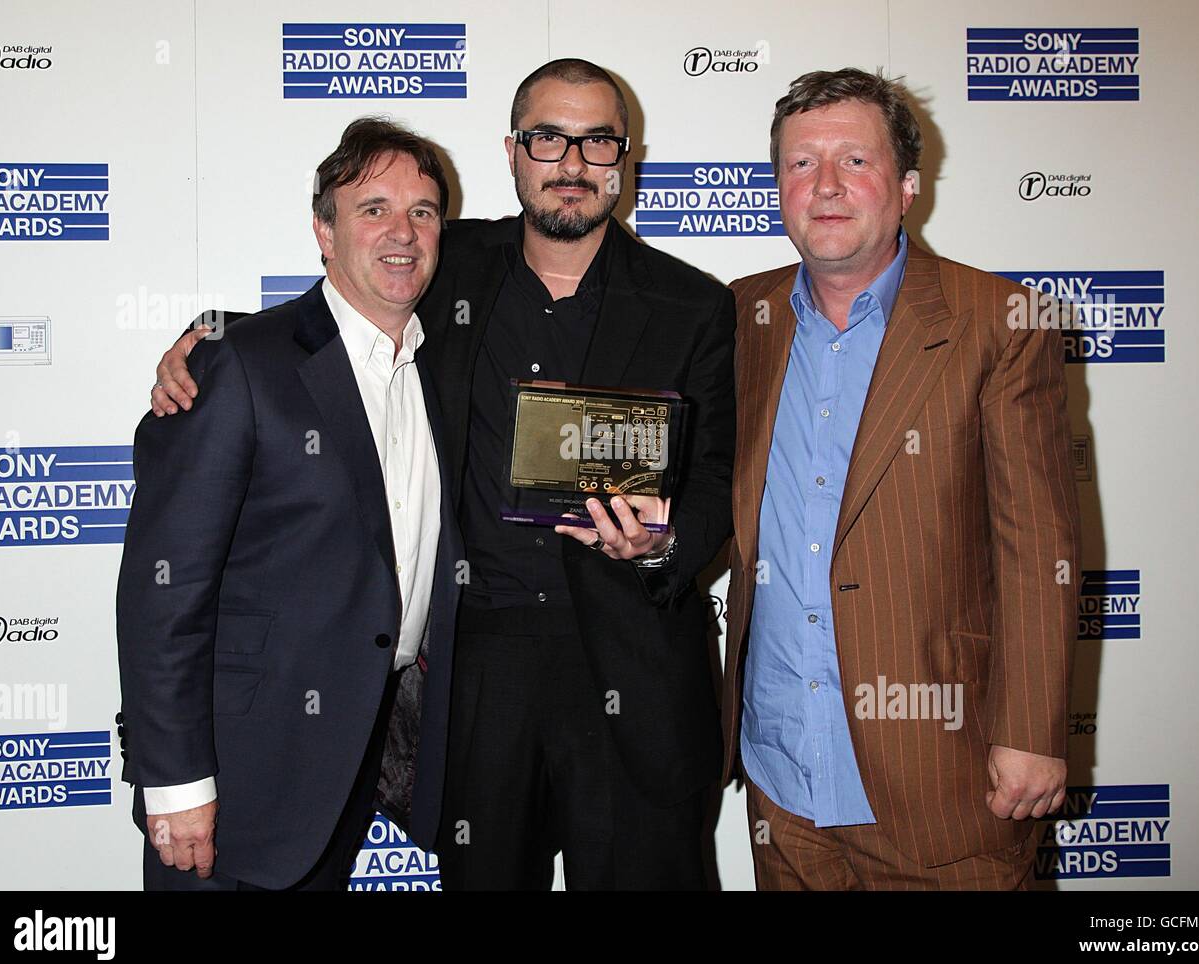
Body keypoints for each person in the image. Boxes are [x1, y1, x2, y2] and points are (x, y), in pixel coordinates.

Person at [150, 59, 736, 890]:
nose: (572, 162)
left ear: (624, 157)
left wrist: (659, 544)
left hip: (635, 669)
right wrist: (211, 336)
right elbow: (340, 310)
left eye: (596, 140)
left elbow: (715, 481)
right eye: (548, 139)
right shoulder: (447, 260)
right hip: (480, 680)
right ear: (512, 152)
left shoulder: (693, 303)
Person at [723, 69, 1080, 889]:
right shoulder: (743, 317)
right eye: (801, 164)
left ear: (909, 185)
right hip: (783, 778)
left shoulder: (997, 321)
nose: (827, 187)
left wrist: (1032, 730)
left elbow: (1040, 543)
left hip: (942, 782)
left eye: (856, 160)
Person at [117, 118, 463, 890]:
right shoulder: (236, 367)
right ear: (324, 231)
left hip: (348, 771)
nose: (401, 232)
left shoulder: (437, 371)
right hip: (232, 783)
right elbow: (162, 589)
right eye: (372, 208)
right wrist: (173, 782)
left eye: (423, 211)